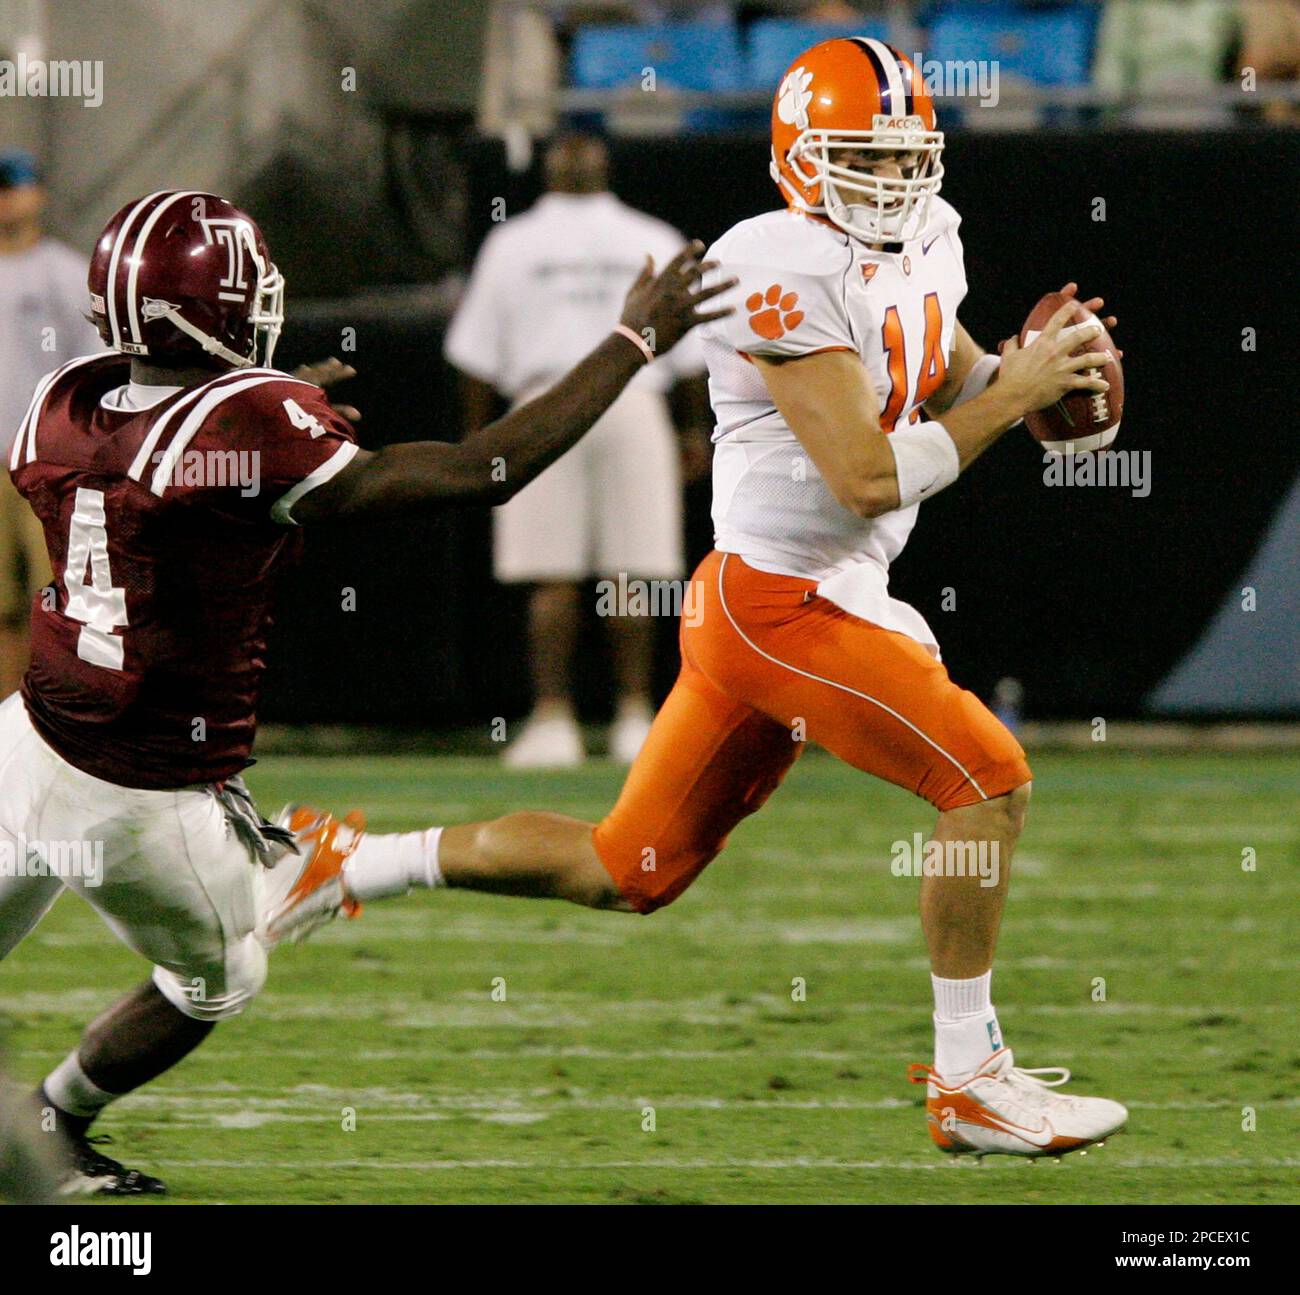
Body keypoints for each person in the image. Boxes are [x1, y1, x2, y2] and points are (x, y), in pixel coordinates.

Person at [278, 40, 1129, 1158]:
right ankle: (969, 1078)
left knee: (624, 868)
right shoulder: (775, 259)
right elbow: (868, 474)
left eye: (906, 156)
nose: (894, 180)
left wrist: (1038, 378)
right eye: (863, 158)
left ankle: (348, 859)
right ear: (798, 157)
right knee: (987, 778)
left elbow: (957, 377)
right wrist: (1004, 398)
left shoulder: (930, 233)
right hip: (779, 601)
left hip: (800, 599)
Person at [0, 187, 727, 1194]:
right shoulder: (248, 421)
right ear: (210, 311)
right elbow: (487, 468)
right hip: (136, 789)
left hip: (29, 735)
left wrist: (264, 422)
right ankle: (54, 1123)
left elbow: (167, 458)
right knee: (224, 973)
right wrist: (631, 342)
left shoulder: (61, 396)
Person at [446, 133, 712, 767]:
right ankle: (579, 719)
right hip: (604, 399)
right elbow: (696, 351)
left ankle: (613, 717)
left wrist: (478, 441)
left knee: (610, 573)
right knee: (581, 575)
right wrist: (692, 428)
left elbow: (474, 357)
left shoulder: (514, 241)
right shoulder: (647, 234)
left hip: (573, 403)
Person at [0, 150, 103, 696]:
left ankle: (52, 716)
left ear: (37, 192)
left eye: (12, 186)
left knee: (55, 599)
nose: (5, 199)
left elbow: (92, 369)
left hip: (45, 464)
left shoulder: (63, 272)